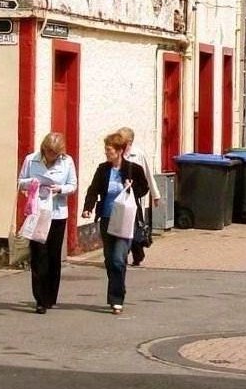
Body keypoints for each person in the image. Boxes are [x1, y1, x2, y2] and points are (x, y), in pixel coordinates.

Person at [82, 132, 149, 314]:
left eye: (109, 150)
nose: (106, 153)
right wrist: (88, 207)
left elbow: (144, 188)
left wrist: (132, 186)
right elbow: (93, 190)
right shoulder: (103, 169)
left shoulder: (133, 169)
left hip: (126, 219)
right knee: (110, 259)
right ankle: (117, 290)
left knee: (119, 259)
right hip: (107, 217)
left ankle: (116, 299)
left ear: (119, 151)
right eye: (106, 150)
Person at [17, 132, 78, 313]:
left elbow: (73, 185)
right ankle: (40, 299)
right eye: (50, 152)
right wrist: (32, 183)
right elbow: (20, 182)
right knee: (38, 254)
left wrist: (60, 188)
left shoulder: (67, 162)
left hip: (57, 213)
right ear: (44, 148)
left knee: (53, 255)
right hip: (38, 212)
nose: (53, 156)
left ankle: (51, 295)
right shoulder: (31, 160)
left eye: (56, 153)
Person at [118, 126, 159, 267]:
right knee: (121, 228)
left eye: (121, 137)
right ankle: (121, 256)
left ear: (129, 141)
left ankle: (137, 254)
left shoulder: (138, 154)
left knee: (135, 228)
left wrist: (155, 195)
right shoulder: (117, 154)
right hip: (119, 199)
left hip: (135, 198)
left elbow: (148, 175)